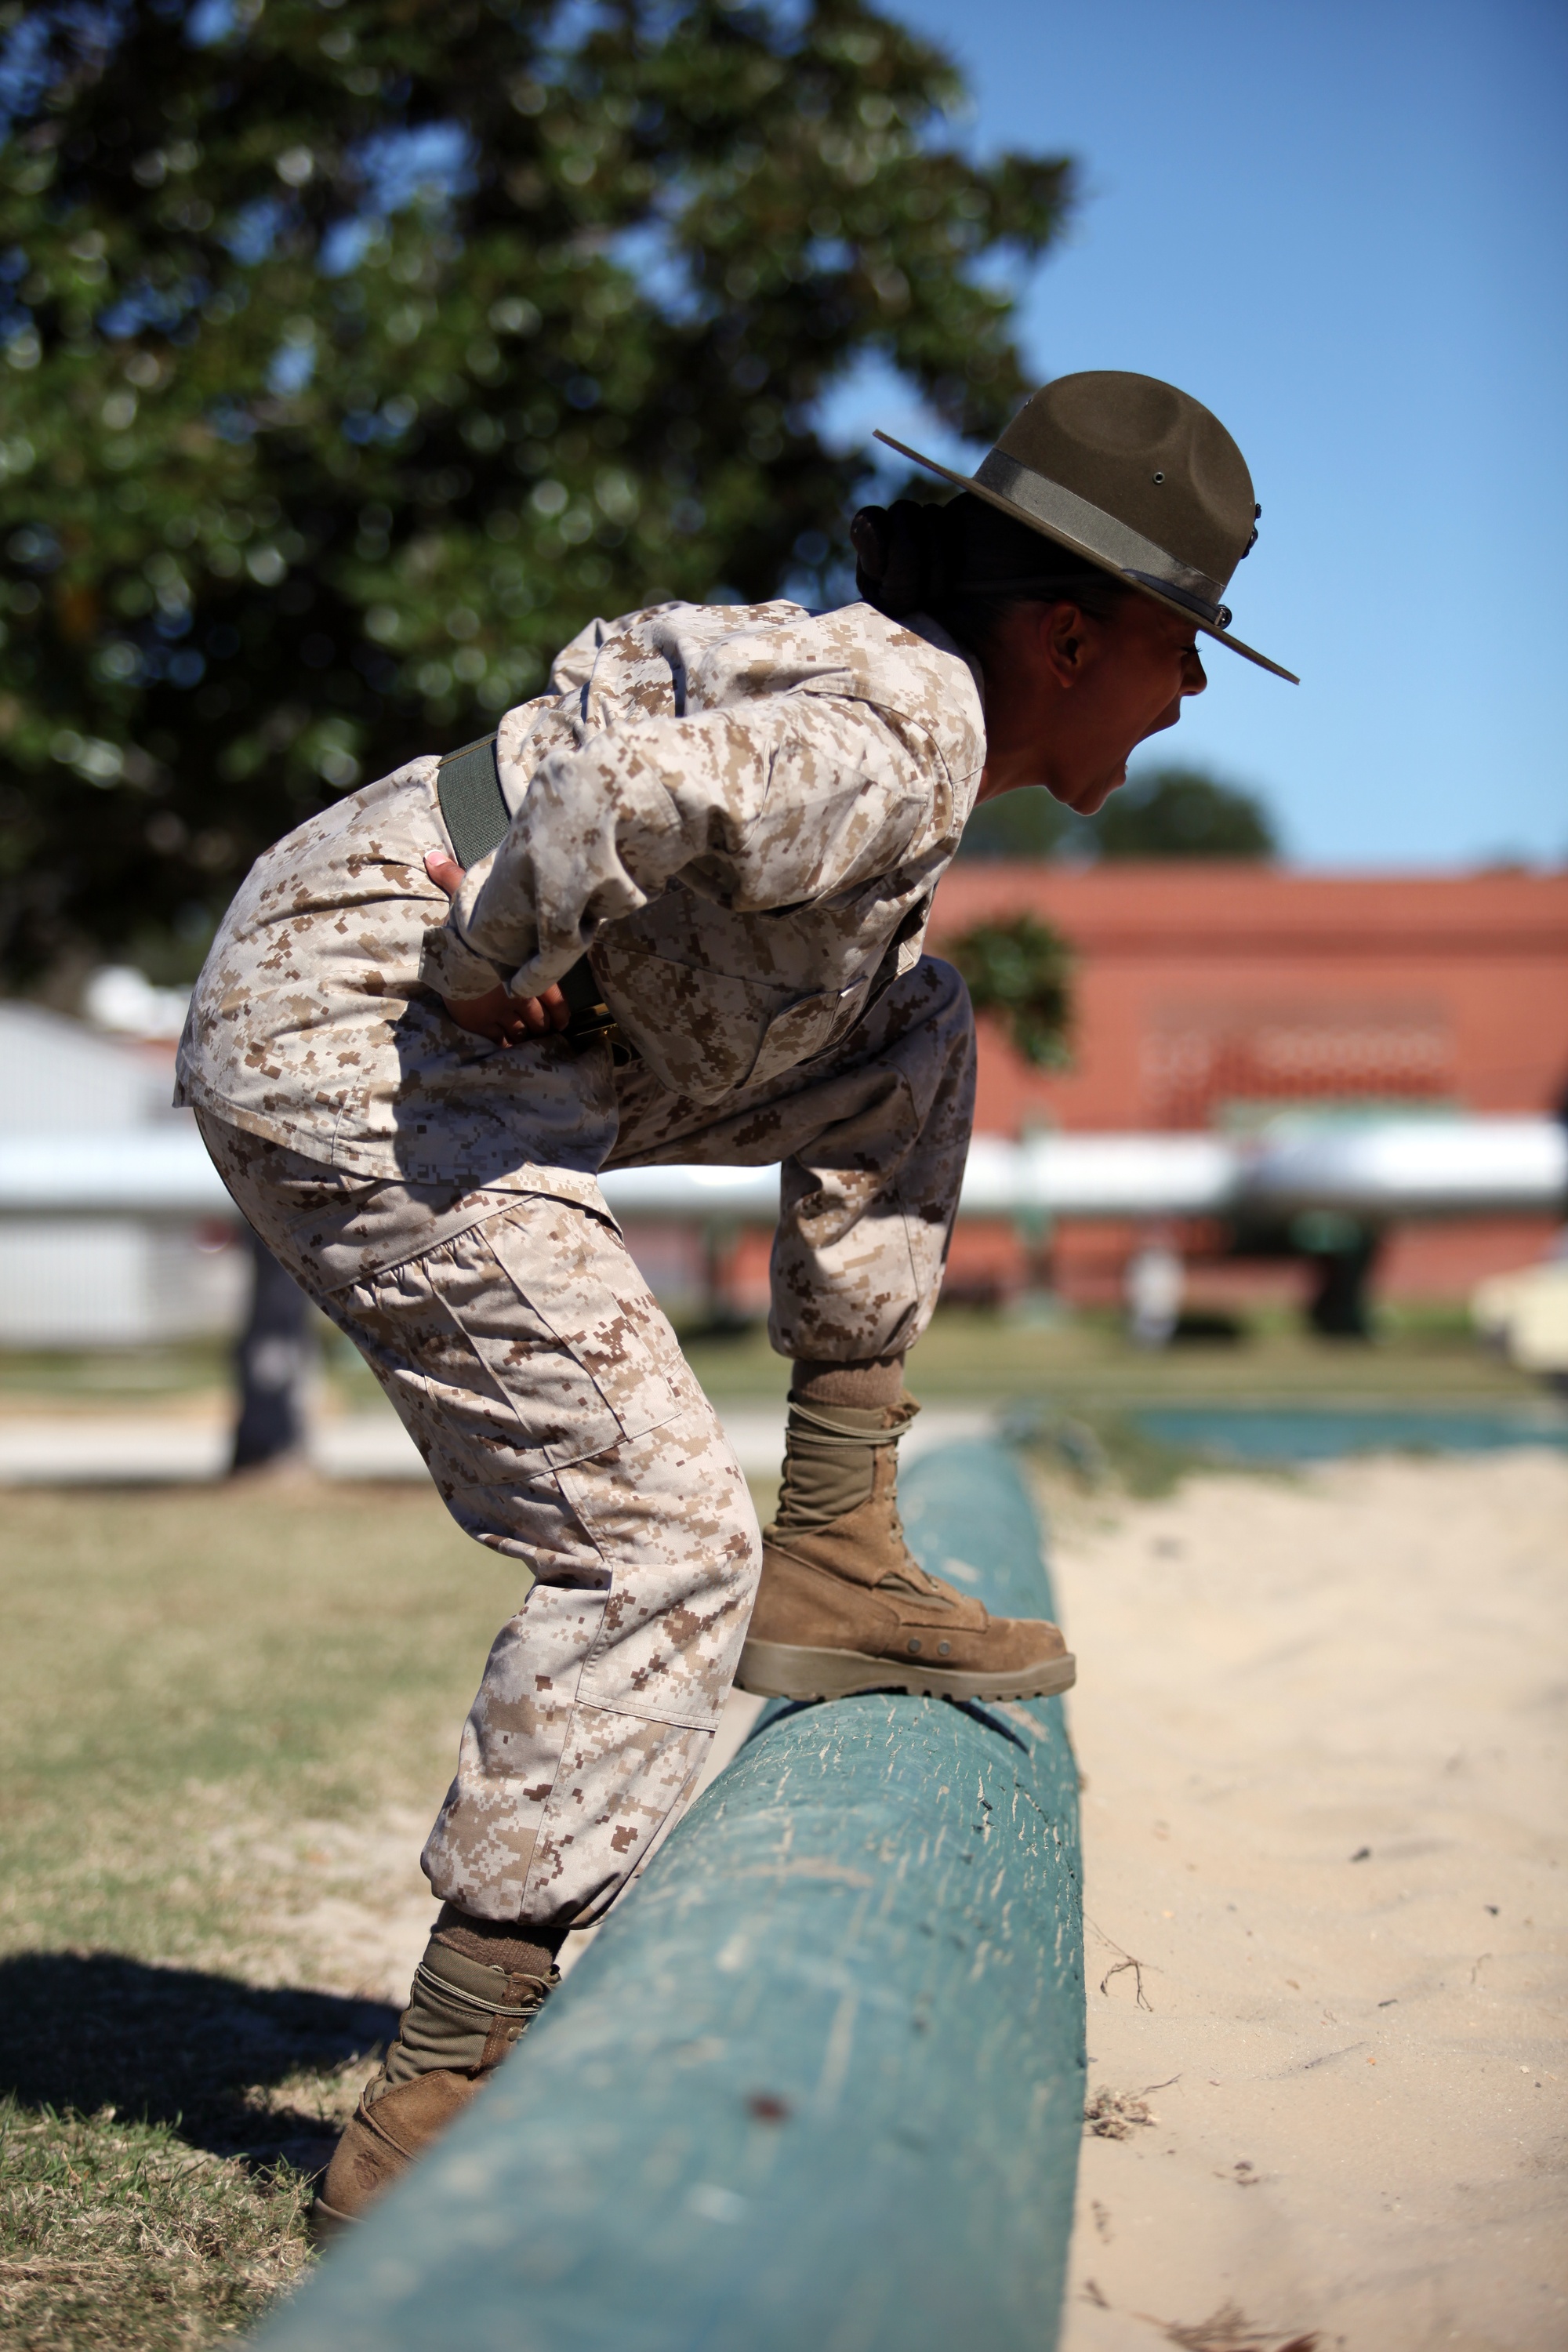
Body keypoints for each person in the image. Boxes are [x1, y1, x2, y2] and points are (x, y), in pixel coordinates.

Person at [176, 370, 1294, 2225]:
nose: (1183, 696)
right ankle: (439, 2089)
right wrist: (491, 962)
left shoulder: (896, 700)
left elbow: (657, 829)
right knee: (660, 1541)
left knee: (914, 1032)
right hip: (362, 1038)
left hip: (482, 1027)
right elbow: (627, 789)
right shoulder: (900, 738)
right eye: (1182, 651)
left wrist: (520, 957)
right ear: (1076, 633)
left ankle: (843, 1532)